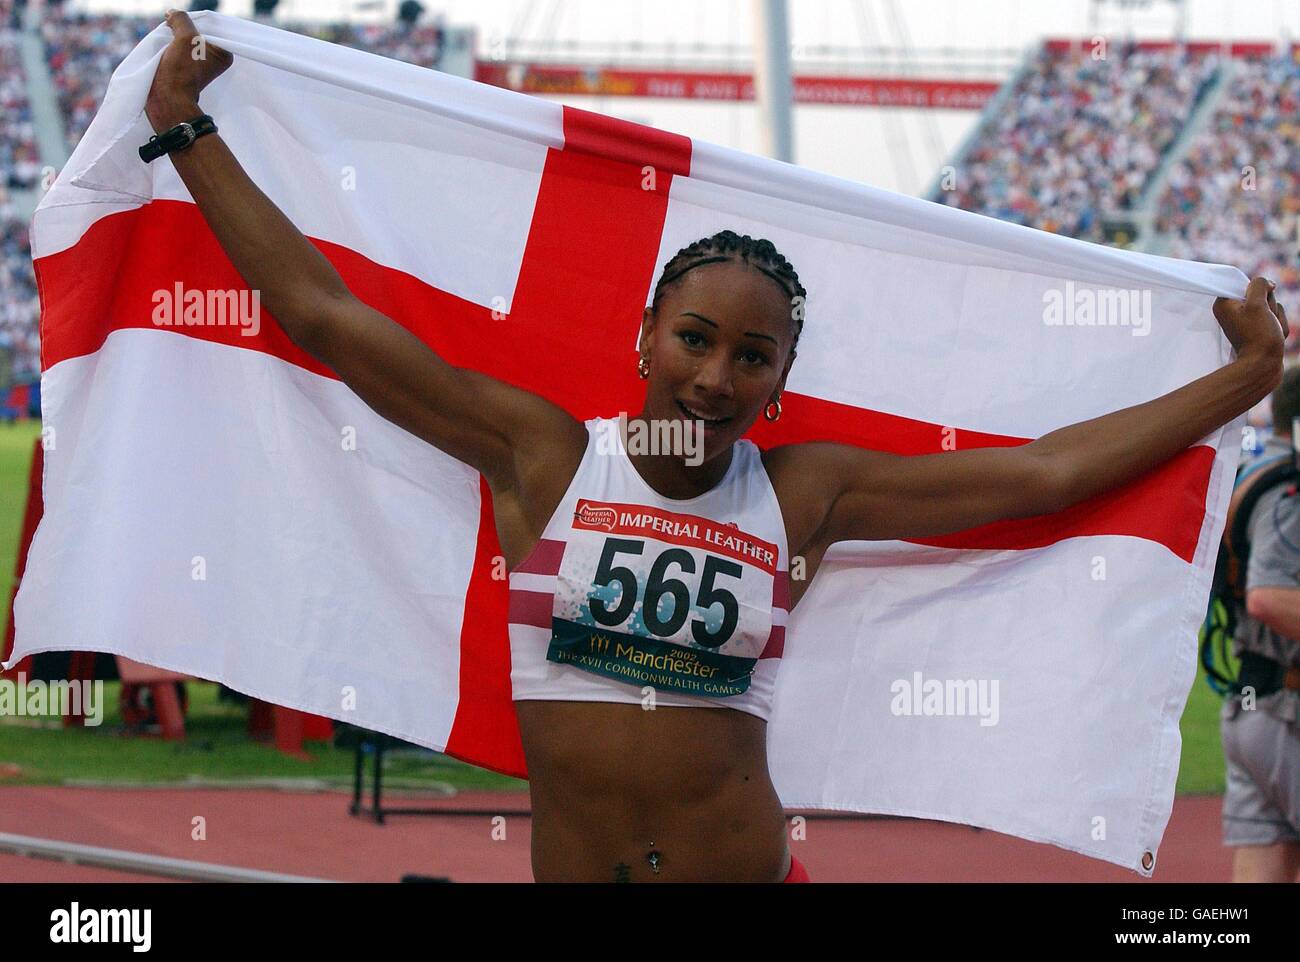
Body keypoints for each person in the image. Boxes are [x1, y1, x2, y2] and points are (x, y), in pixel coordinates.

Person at [144, 10, 1287, 882]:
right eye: (694, 337)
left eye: (753, 354)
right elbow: (327, 320)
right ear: (643, 333)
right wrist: (184, 133)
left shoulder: (806, 493)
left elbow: (1044, 473)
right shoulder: (541, 456)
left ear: (783, 379)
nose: (714, 374)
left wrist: (1241, 377)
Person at [1221, 365, 1300, 882]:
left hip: (1254, 697)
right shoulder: (1291, 486)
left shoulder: (1257, 467)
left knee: (1263, 863)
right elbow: (1268, 598)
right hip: (1287, 708)